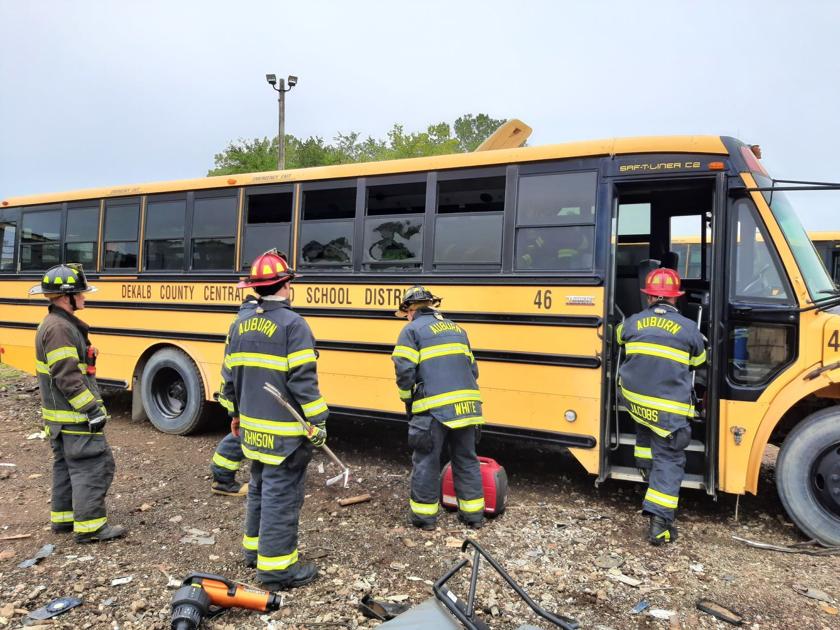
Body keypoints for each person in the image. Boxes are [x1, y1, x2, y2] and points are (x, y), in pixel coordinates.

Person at [220, 249, 327, 589]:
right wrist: (318, 421)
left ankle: (254, 551)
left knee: (260, 488)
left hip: (253, 429)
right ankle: (277, 570)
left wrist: (234, 414)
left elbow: (231, 376)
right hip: (285, 433)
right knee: (281, 495)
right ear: (286, 284)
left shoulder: (240, 323)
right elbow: (303, 381)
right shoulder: (293, 325)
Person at [30, 263, 127, 543]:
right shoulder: (59, 328)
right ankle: (91, 527)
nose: (85, 297)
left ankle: (64, 519)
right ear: (65, 297)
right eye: (80, 293)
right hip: (74, 416)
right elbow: (67, 376)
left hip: (60, 417)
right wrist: (91, 409)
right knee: (93, 465)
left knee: (66, 466)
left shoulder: (55, 324)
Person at [616, 268, 706, 545]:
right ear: (676, 298)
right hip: (667, 408)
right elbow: (698, 363)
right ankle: (660, 524)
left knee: (645, 423)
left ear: (650, 297)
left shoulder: (632, 322)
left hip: (634, 399)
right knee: (670, 459)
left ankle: (644, 464)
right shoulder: (690, 329)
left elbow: (618, 339)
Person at [391, 285, 485, 531]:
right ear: (431, 305)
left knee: (426, 461)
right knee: (466, 458)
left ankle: (424, 519)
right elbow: (473, 369)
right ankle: (473, 516)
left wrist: (408, 400)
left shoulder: (411, 331)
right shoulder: (457, 329)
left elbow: (404, 371)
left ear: (410, 309)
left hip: (433, 410)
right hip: (468, 407)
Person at [211, 295, 261, 497]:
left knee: (245, 430)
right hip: (240, 390)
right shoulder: (248, 322)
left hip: (238, 389)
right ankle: (222, 477)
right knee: (241, 432)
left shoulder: (240, 320)